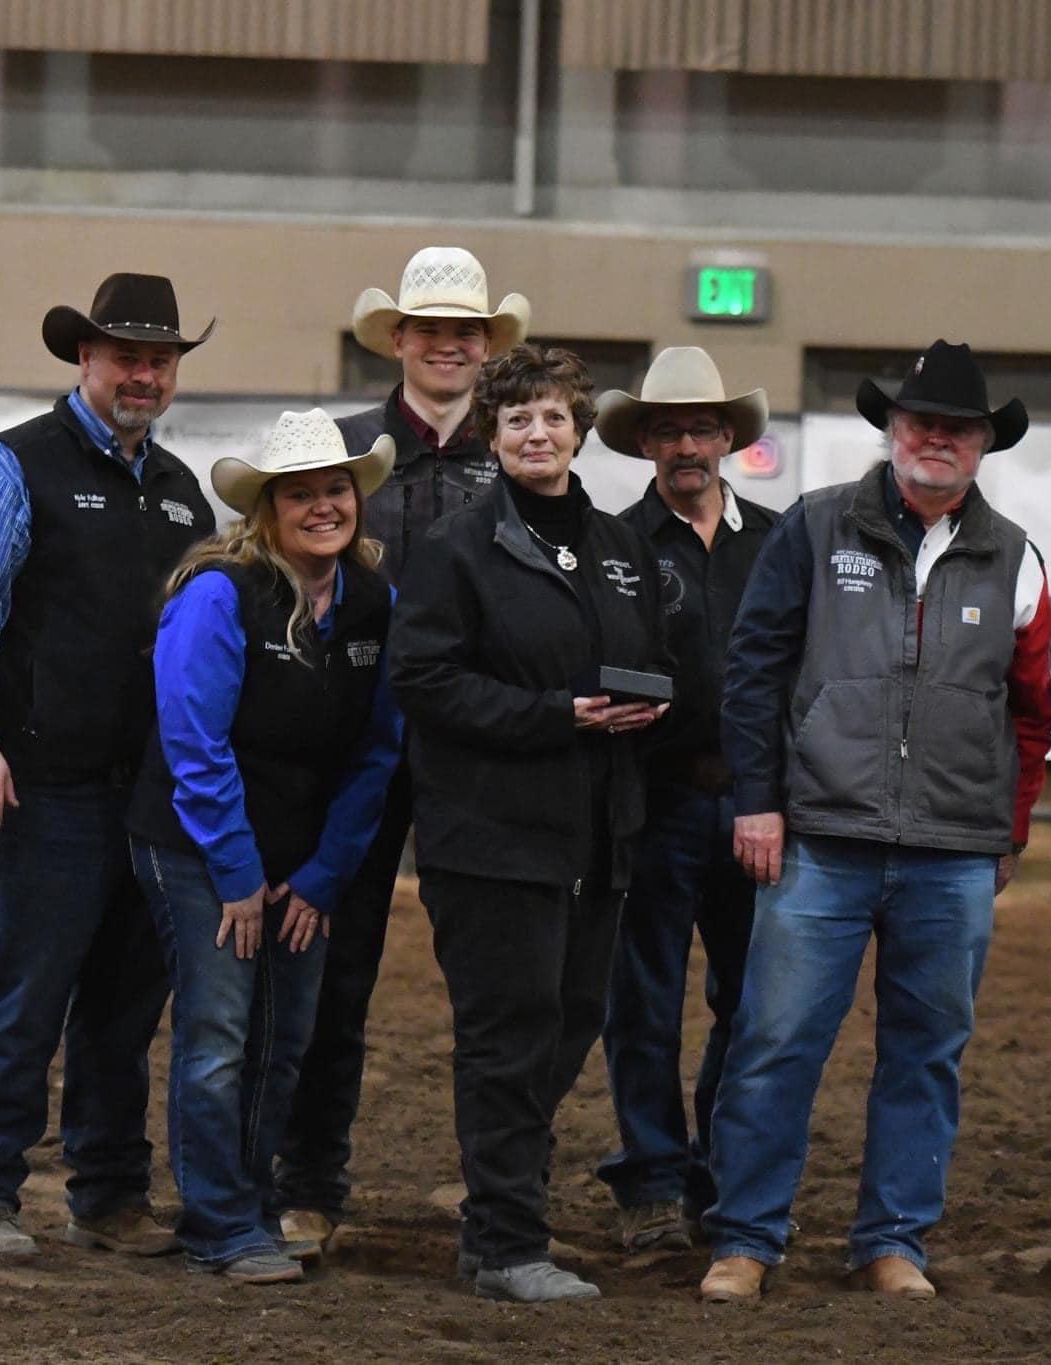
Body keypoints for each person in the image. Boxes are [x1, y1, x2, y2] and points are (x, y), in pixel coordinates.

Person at [699, 340, 1051, 1305]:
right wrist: (758, 799)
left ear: (984, 445)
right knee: (775, 1042)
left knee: (926, 1055)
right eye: (920, 421)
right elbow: (755, 670)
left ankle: (893, 1239)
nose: (936, 438)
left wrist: (1008, 832)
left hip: (953, 850)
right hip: (820, 834)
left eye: (958, 427)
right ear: (892, 431)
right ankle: (745, 1236)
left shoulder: (1015, 556)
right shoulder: (815, 529)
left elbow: (1031, 711)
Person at [0, 273, 215, 1259]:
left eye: (160, 359)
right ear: (83, 359)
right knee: (29, 991)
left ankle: (107, 1193)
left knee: (127, 1007)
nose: (144, 373)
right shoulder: (13, 466)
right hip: (45, 780)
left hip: (150, 792)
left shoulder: (181, 492)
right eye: (126, 355)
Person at [389, 344, 675, 1303]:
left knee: (570, 1022)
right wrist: (557, 716)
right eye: (517, 420)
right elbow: (424, 680)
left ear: (580, 430)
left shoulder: (620, 549)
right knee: (510, 1035)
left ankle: (493, 1220)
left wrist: (645, 706)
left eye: (553, 417)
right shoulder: (456, 548)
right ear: (492, 434)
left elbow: (643, 660)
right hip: (493, 837)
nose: (538, 434)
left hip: (599, 835)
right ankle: (509, 1239)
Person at [272, 247, 530, 1255]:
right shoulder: (337, 452)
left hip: (479, 753)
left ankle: (505, 1200)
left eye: (465, 329)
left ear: (484, 345)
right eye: (429, 328)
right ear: (398, 340)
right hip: (350, 750)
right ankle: (309, 1182)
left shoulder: (518, 453)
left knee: (498, 988)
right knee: (331, 974)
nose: (448, 343)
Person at [125, 410, 403, 1284]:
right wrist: (240, 873)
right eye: (302, 493)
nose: (323, 505)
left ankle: (247, 1205)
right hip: (198, 846)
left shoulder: (373, 601)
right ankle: (218, 1219)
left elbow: (379, 751)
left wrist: (324, 875)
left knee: (284, 1037)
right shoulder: (218, 591)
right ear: (268, 508)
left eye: (336, 489)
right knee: (217, 1034)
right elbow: (193, 743)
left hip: (302, 857)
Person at [590, 347, 779, 1253]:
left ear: (728, 438)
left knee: (749, 1000)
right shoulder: (613, 543)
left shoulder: (780, 541)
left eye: (702, 427)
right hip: (654, 798)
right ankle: (655, 1175)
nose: (687, 444)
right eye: (667, 429)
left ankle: (716, 1168)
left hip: (754, 803)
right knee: (644, 1000)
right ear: (646, 444)